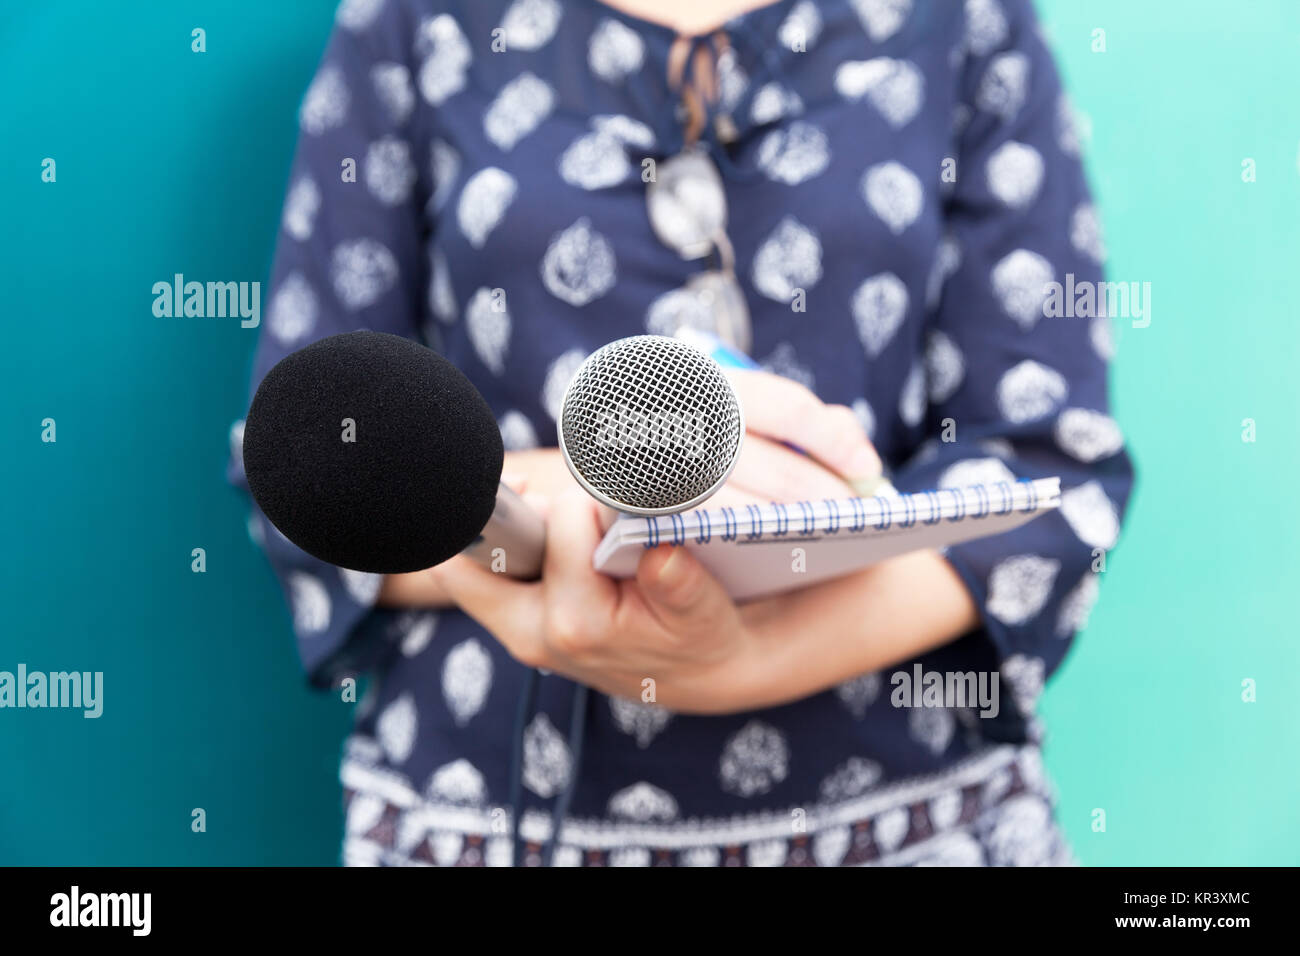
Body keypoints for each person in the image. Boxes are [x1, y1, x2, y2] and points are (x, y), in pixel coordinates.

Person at [229, 0, 1134, 866]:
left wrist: (741, 661)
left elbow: (1053, 476)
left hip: (917, 822)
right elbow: (307, 457)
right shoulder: (414, 15)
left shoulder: (966, 17)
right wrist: (585, 497)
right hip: (485, 817)